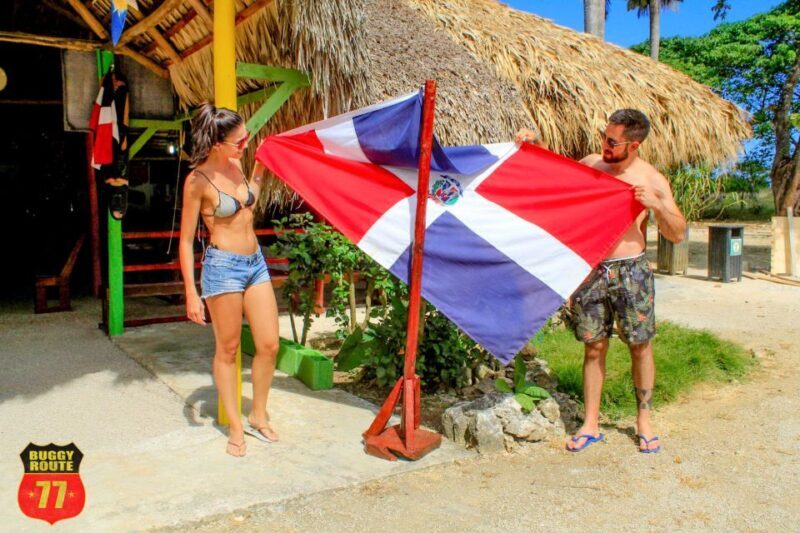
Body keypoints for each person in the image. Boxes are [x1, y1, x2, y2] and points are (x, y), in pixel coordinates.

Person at [516, 109, 686, 453]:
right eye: (604, 137)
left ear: (633, 145)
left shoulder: (650, 179)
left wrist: (655, 205)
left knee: (640, 346)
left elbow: (678, 233)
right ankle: (591, 422)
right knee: (593, 346)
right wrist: (534, 147)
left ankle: (644, 421)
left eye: (613, 142)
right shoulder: (593, 163)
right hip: (591, 269)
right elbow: (557, 179)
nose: (604, 145)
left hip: (631, 271)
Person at [179, 103, 279, 457]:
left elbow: (247, 198)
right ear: (218, 143)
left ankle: (258, 413)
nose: (245, 144)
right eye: (239, 141)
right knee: (229, 349)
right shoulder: (197, 181)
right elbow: (186, 239)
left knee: (269, 344)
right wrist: (191, 293)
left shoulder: (237, 166)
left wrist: (260, 170)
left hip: (255, 263)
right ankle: (236, 428)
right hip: (222, 268)